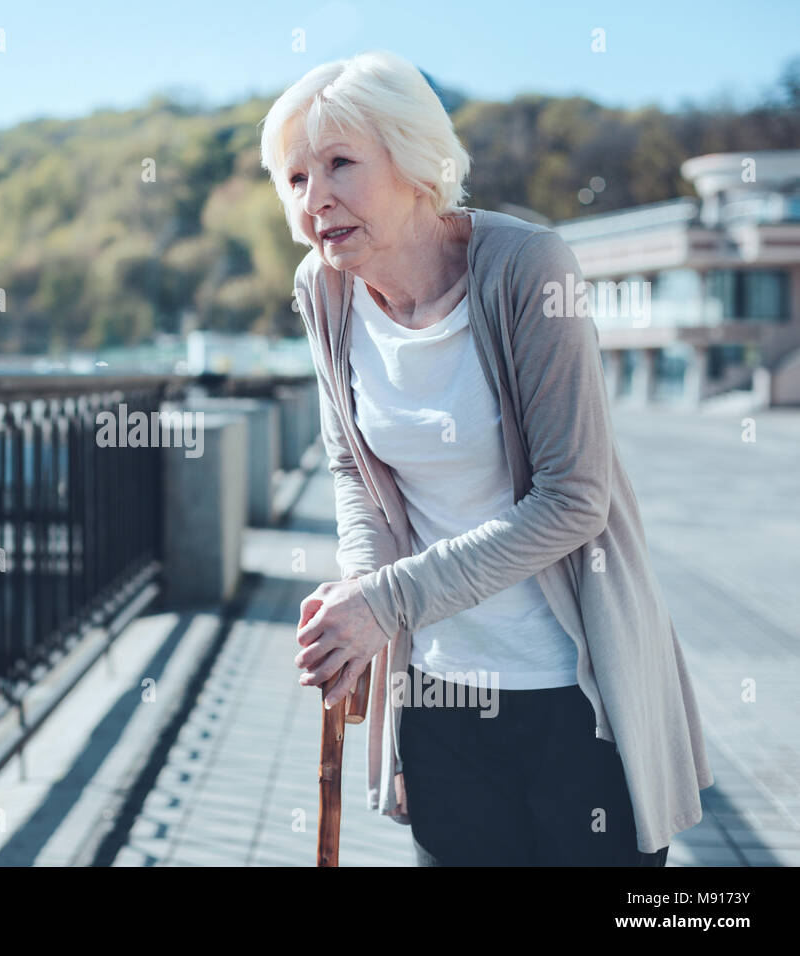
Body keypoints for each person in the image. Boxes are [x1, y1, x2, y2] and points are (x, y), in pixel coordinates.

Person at [259, 50, 713, 866]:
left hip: (573, 692)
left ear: (413, 161)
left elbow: (575, 497)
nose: (314, 198)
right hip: (436, 695)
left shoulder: (529, 269)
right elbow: (355, 475)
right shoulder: (323, 289)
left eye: (339, 165)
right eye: (294, 179)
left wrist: (387, 602)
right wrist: (362, 599)